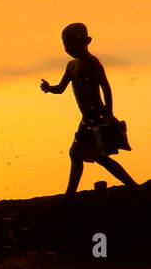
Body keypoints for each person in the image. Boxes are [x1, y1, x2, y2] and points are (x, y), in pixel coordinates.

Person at [40, 23, 143, 195]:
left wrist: (109, 113)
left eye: (73, 44)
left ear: (87, 41)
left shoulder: (92, 63)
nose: (70, 48)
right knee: (84, 155)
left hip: (97, 115)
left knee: (89, 155)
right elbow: (61, 88)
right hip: (86, 119)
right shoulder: (71, 66)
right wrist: (49, 88)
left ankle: (131, 186)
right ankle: (72, 193)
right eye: (66, 45)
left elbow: (106, 88)